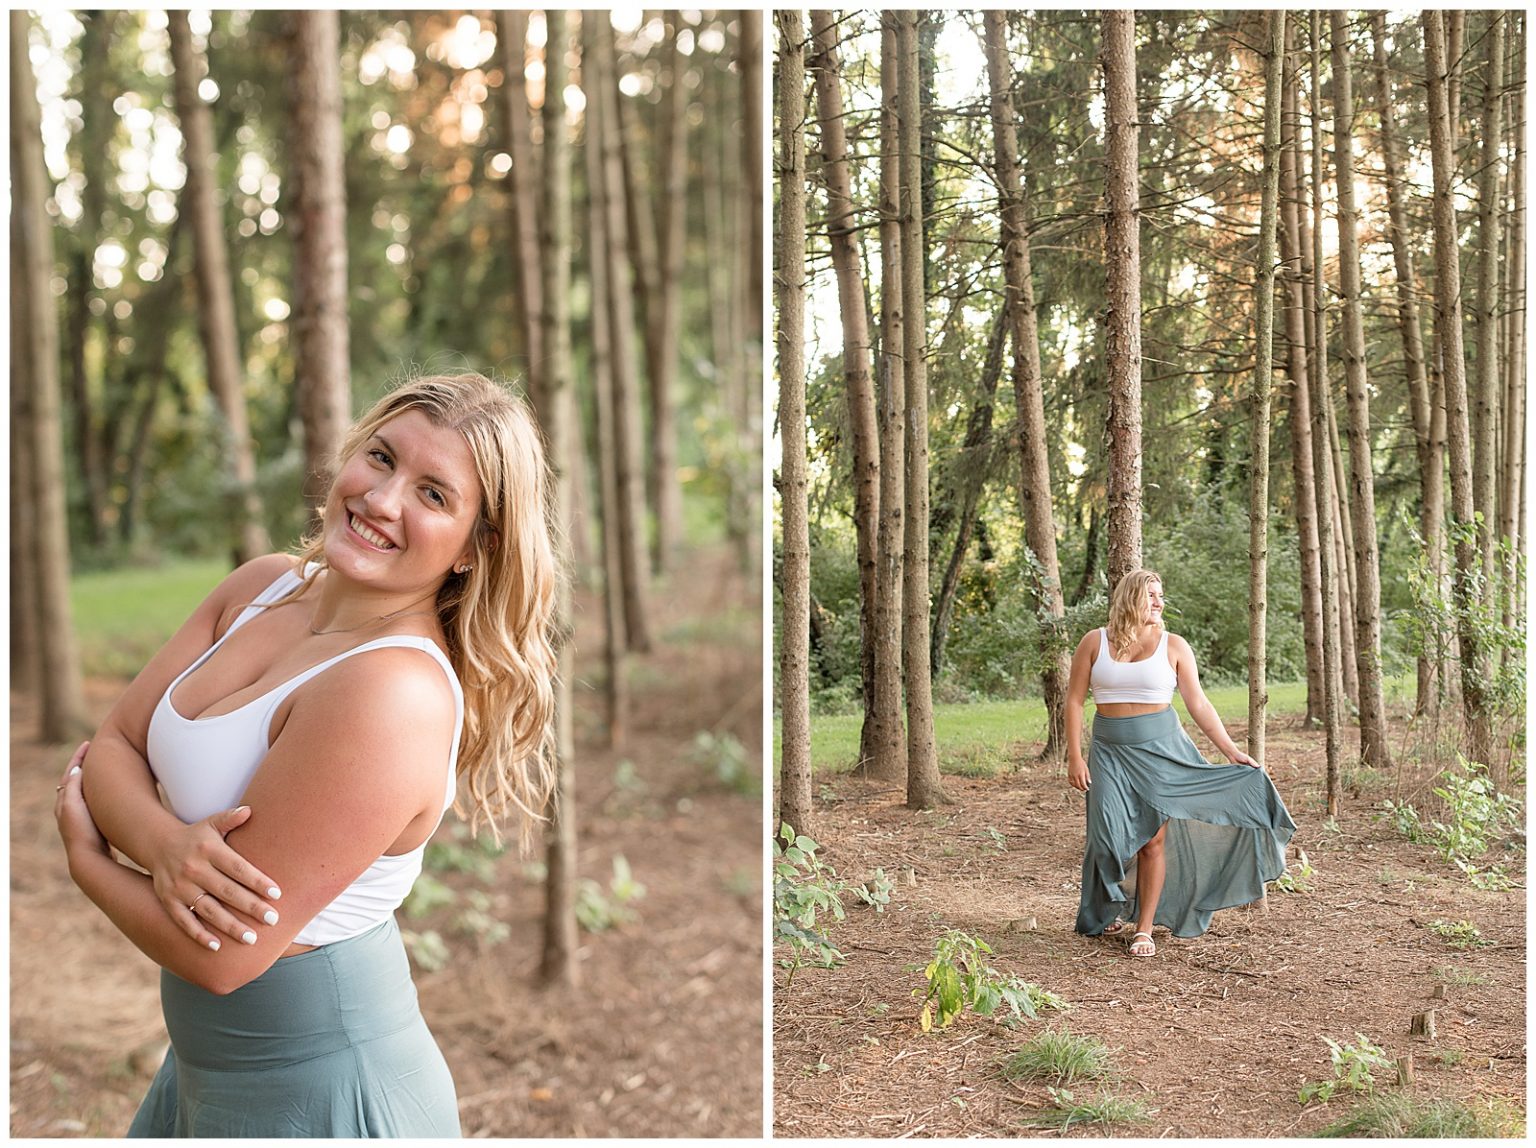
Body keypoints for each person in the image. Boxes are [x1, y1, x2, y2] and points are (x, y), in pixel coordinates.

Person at [53, 373, 559, 1136]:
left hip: (323, 1094)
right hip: (204, 1071)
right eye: (382, 459)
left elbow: (227, 956)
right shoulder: (261, 588)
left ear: (473, 549)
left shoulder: (391, 691)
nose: (383, 501)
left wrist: (91, 861)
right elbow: (114, 745)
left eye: (433, 495)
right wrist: (165, 848)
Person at [1064, 568, 1295, 958]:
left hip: (1162, 754)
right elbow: (1073, 700)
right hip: (1109, 752)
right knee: (1105, 838)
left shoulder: (1174, 646)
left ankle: (1144, 928)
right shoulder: (1094, 642)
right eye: (1150, 595)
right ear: (1130, 598)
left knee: (1153, 842)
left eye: (1161, 595)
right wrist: (1073, 755)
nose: (1158, 602)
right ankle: (1111, 904)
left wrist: (1230, 751)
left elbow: (1198, 704)